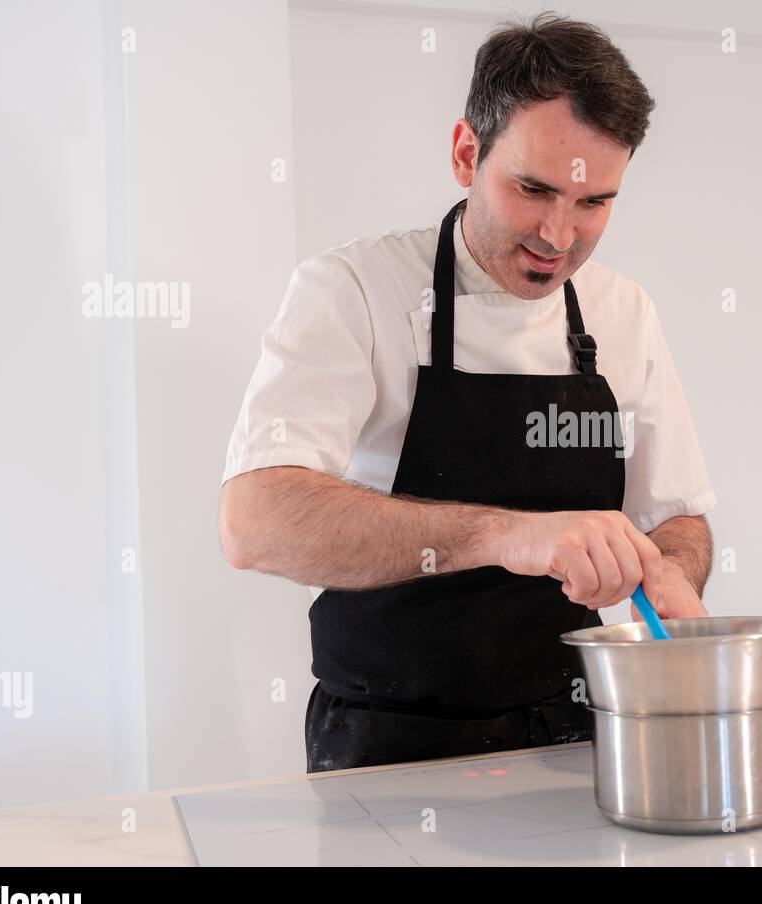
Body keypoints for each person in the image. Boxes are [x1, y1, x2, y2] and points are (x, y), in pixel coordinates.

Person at [218, 13, 716, 772]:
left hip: (574, 738)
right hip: (389, 744)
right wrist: (507, 537)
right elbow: (253, 523)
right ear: (465, 153)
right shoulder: (355, 292)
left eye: (594, 203)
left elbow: (676, 517)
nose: (558, 235)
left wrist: (664, 572)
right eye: (533, 189)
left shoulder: (624, 313)